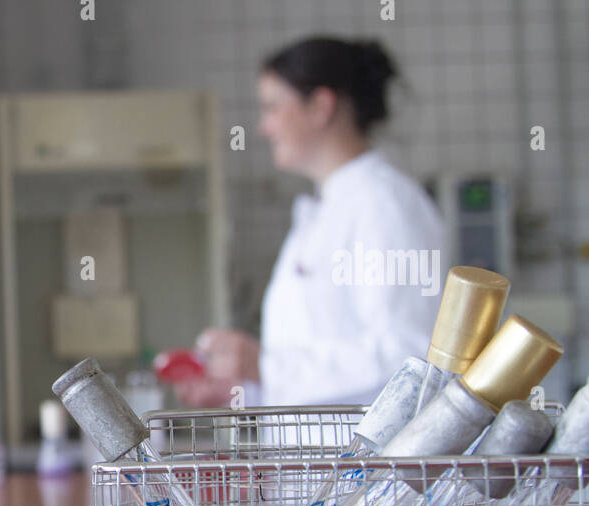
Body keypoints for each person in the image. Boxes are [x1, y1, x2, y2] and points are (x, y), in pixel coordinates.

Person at [174, 37, 445, 410]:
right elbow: (316, 363)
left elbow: (411, 358)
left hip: (367, 467)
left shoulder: (384, 206)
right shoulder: (324, 211)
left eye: (272, 107)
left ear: (320, 106)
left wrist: (266, 368)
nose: (263, 127)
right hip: (322, 462)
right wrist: (245, 389)